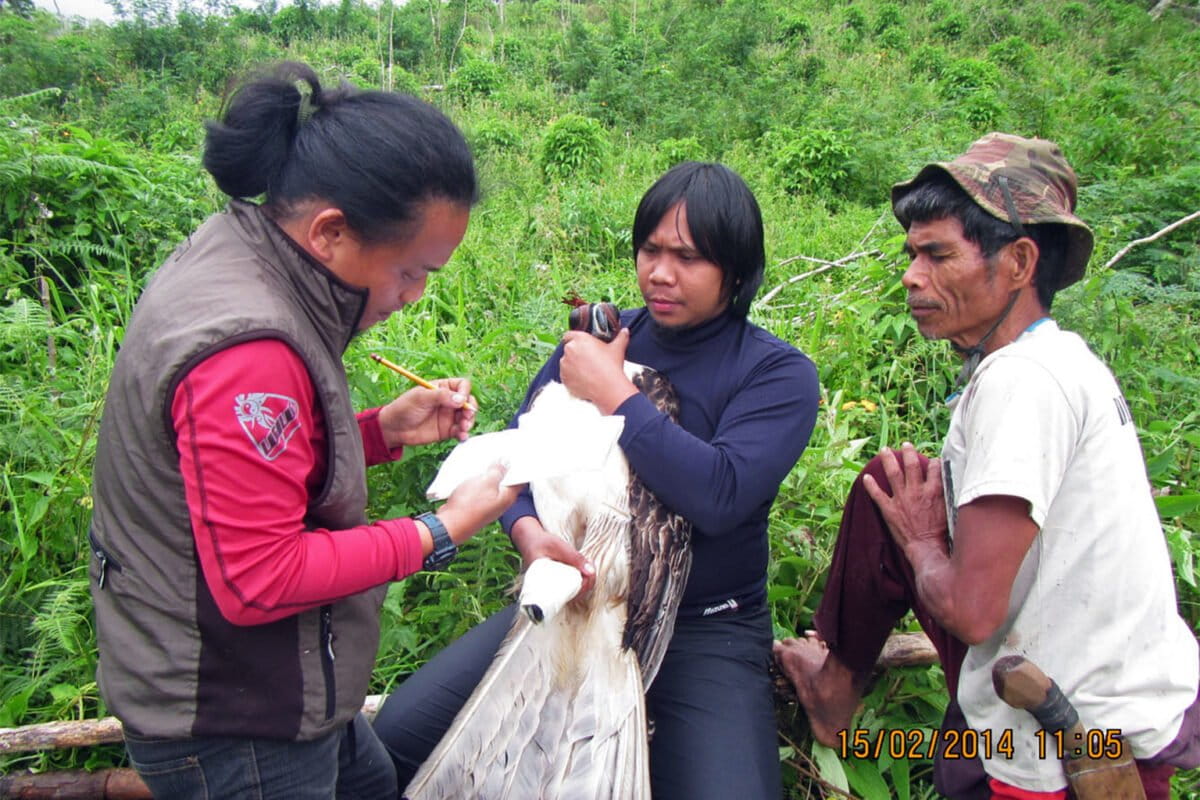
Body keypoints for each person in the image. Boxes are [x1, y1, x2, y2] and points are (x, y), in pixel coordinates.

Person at [87, 61, 521, 800]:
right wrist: (442, 528)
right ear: (330, 232)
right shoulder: (248, 350)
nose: (414, 296)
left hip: (277, 683)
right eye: (411, 272)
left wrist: (378, 431)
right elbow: (262, 577)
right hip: (235, 721)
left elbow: (232, 467)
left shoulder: (243, 252)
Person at [373, 161, 821, 798]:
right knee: (398, 738)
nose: (660, 272)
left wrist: (614, 391)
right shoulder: (593, 342)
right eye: (650, 250)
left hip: (704, 627)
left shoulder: (775, 373)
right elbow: (520, 459)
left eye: (688, 257)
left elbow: (719, 495)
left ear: (737, 269)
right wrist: (528, 535)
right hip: (574, 610)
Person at [773, 132, 1200, 799]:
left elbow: (973, 615)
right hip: (1115, 700)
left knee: (901, 503)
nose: (912, 276)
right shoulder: (1059, 360)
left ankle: (835, 691)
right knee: (889, 484)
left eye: (939, 255)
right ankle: (838, 683)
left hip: (1066, 739)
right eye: (912, 254)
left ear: (1020, 261)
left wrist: (921, 542)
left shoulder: (1022, 380)